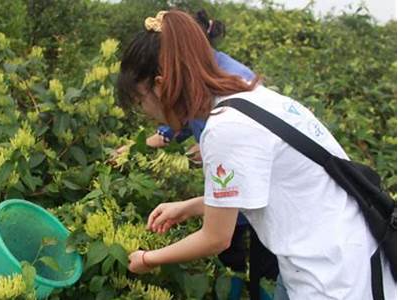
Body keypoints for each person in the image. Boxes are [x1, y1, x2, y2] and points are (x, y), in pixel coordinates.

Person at [116, 9, 397, 300]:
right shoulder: (250, 98)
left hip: (338, 279)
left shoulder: (225, 129)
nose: (146, 114)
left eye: (140, 101)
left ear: (160, 86)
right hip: (337, 253)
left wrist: (148, 258)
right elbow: (263, 188)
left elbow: (215, 239)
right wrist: (188, 207)